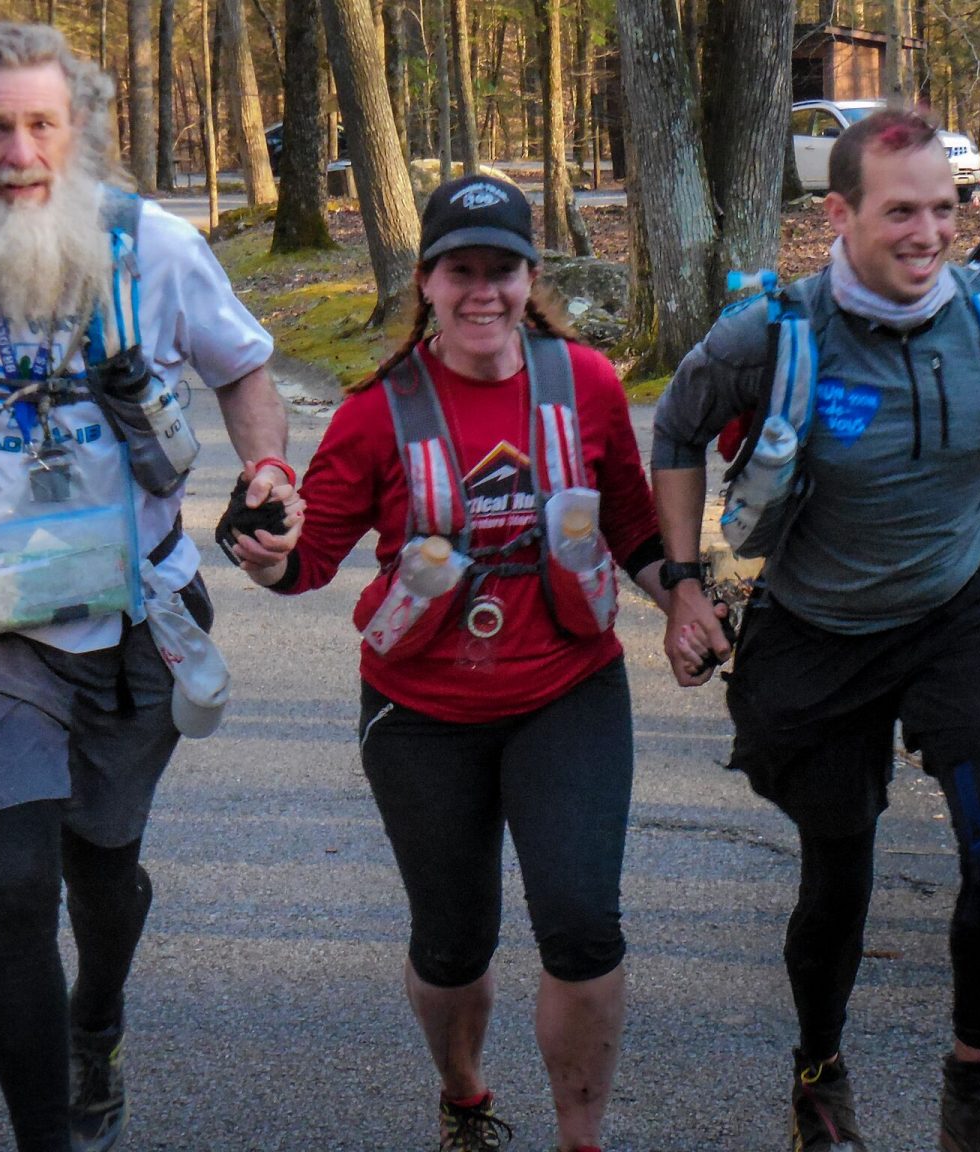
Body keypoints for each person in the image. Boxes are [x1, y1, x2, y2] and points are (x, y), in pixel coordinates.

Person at [0, 23, 296, 1152]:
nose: (20, 150)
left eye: (42, 124)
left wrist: (272, 468)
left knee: (104, 874)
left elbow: (241, 368)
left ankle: (97, 1021)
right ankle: (49, 1137)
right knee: (16, 884)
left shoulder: (162, 253)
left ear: (78, 132)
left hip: (136, 613)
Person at [650, 109, 980, 1152]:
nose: (928, 232)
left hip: (953, 610)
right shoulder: (774, 333)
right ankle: (820, 1072)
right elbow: (676, 426)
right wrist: (687, 584)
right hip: (818, 629)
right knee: (841, 870)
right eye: (900, 211)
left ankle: (974, 1080)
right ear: (839, 214)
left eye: (943, 207)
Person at [236, 174, 668, 1152]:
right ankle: (464, 1092)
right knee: (453, 944)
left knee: (582, 925)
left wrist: (685, 603)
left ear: (531, 276)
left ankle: (579, 1137)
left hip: (569, 688)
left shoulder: (587, 384)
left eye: (503, 270)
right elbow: (307, 562)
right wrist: (266, 558)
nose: (485, 292)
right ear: (426, 281)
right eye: (461, 270)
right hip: (420, 710)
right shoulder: (375, 412)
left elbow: (635, 526)